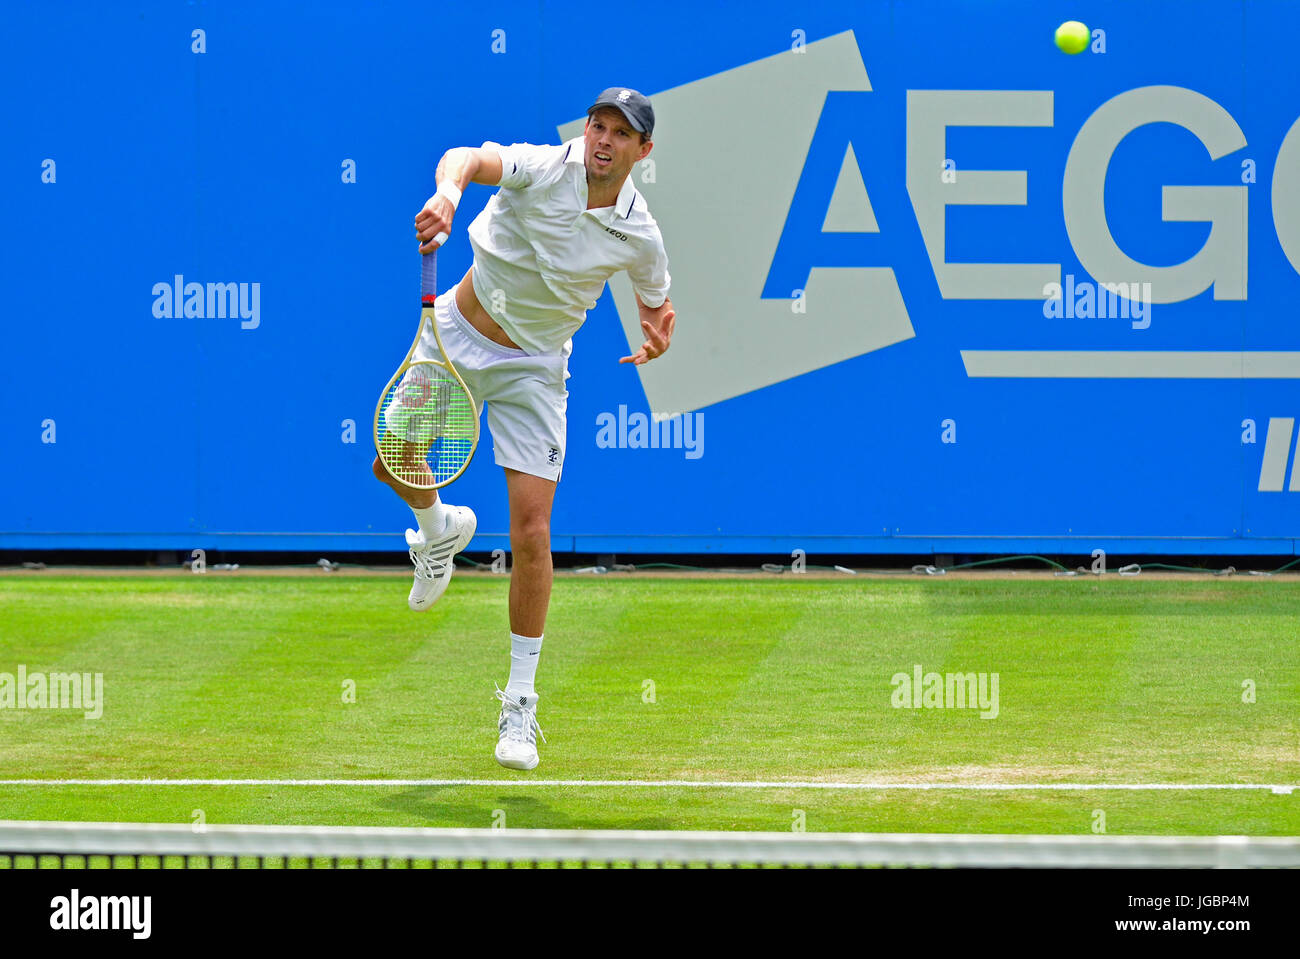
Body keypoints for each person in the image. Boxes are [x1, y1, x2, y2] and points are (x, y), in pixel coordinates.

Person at [371, 88, 676, 771]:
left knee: (532, 531)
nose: (602, 138)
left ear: (641, 151)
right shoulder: (544, 165)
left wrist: (656, 333)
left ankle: (519, 703)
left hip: (535, 366)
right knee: (392, 461)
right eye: (597, 124)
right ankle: (439, 526)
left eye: (620, 133)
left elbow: (657, 305)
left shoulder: (639, 233)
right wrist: (449, 193)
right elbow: (467, 156)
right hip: (456, 331)